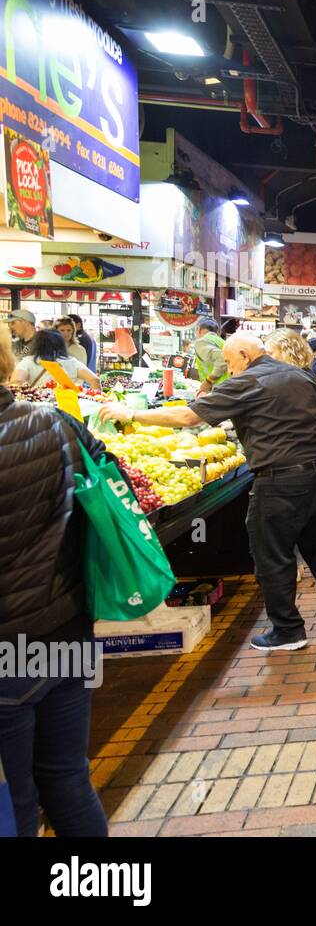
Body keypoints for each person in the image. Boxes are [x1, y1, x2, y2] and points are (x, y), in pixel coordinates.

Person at [99, 335, 316, 651]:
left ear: (244, 354)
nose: (229, 370)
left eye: (230, 362)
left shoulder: (246, 381)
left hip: (278, 482)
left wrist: (130, 415)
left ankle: (288, 630)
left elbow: (187, 417)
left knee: (271, 555)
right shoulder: (301, 374)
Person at [0, 325, 109, 836]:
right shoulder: (54, 423)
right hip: (65, 632)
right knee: (67, 778)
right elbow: (117, 491)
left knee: (13, 800)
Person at [12, 330, 100, 391]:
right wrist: (96, 400)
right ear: (61, 344)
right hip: (67, 408)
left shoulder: (28, 362)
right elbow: (94, 380)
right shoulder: (71, 362)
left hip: (39, 409)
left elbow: (16, 383)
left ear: (36, 344)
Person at [193, 318, 229, 394]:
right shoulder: (221, 341)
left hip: (219, 390)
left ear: (199, 329)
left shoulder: (202, 341)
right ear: (217, 332)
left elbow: (222, 360)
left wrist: (208, 381)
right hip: (227, 388)